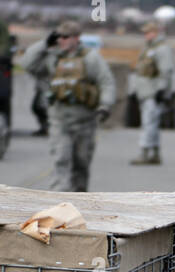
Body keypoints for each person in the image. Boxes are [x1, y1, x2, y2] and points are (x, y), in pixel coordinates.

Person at [24, 19, 116, 191]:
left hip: (84, 121)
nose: (61, 40)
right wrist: (44, 43)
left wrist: (105, 104)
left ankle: (79, 201)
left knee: (81, 165)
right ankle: (60, 203)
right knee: (61, 160)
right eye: (59, 37)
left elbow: (106, 82)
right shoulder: (53, 59)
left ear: (76, 38)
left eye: (65, 37)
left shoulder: (90, 58)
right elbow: (27, 64)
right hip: (59, 120)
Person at [128, 19, 175, 166]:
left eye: (148, 32)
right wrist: (135, 90)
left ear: (155, 33)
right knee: (151, 123)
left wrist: (162, 90)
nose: (146, 35)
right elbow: (140, 71)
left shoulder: (161, 49)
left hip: (153, 91)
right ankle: (154, 152)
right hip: (145, 90)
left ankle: (145, 151)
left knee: (148, 123)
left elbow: (166, 71)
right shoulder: (149, 48)